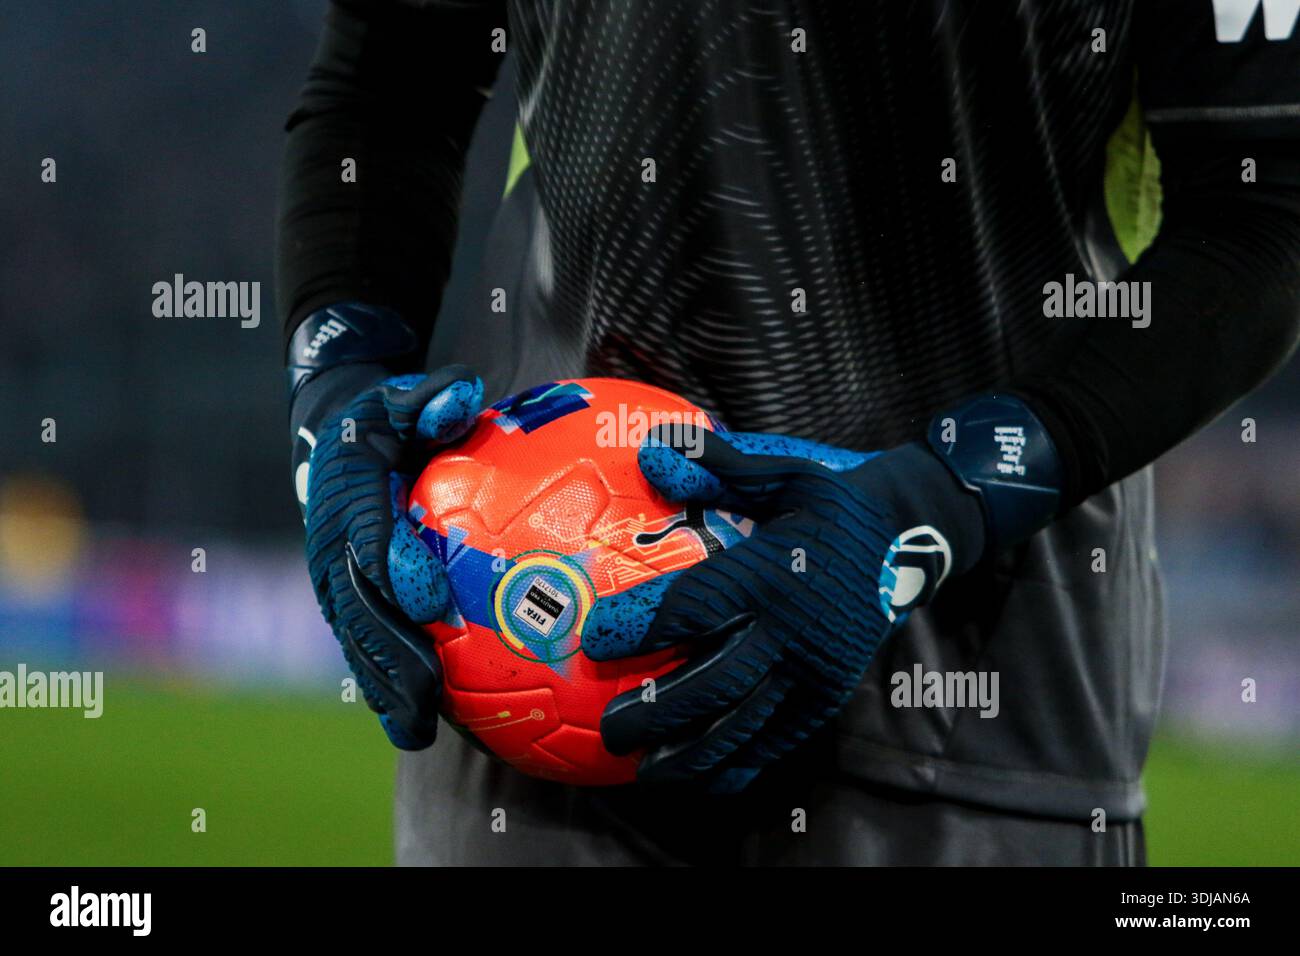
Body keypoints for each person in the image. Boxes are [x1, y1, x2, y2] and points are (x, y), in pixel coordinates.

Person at [277, 0, 1300, 865]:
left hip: (968, 722)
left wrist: (924, 508)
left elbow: (1263, 211)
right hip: (531, 689)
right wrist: (339, 388)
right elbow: (392, 82)